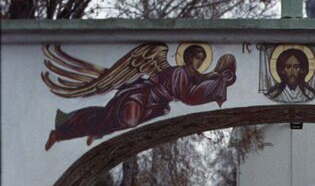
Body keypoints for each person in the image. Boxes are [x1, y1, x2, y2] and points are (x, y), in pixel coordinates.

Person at [45, 44, 236, 149]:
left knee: (112, 121)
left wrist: (217, 77)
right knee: (125, 120)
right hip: (142, 96)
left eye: (202, 59)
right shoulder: (180, 73)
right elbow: (188, 97)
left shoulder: (192, 76)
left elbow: (200, 81)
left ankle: (72, 131)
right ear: (187, 57)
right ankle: (65, 126)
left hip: (154, 106)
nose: (200, 61)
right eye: (197, 57)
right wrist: (213, 88)